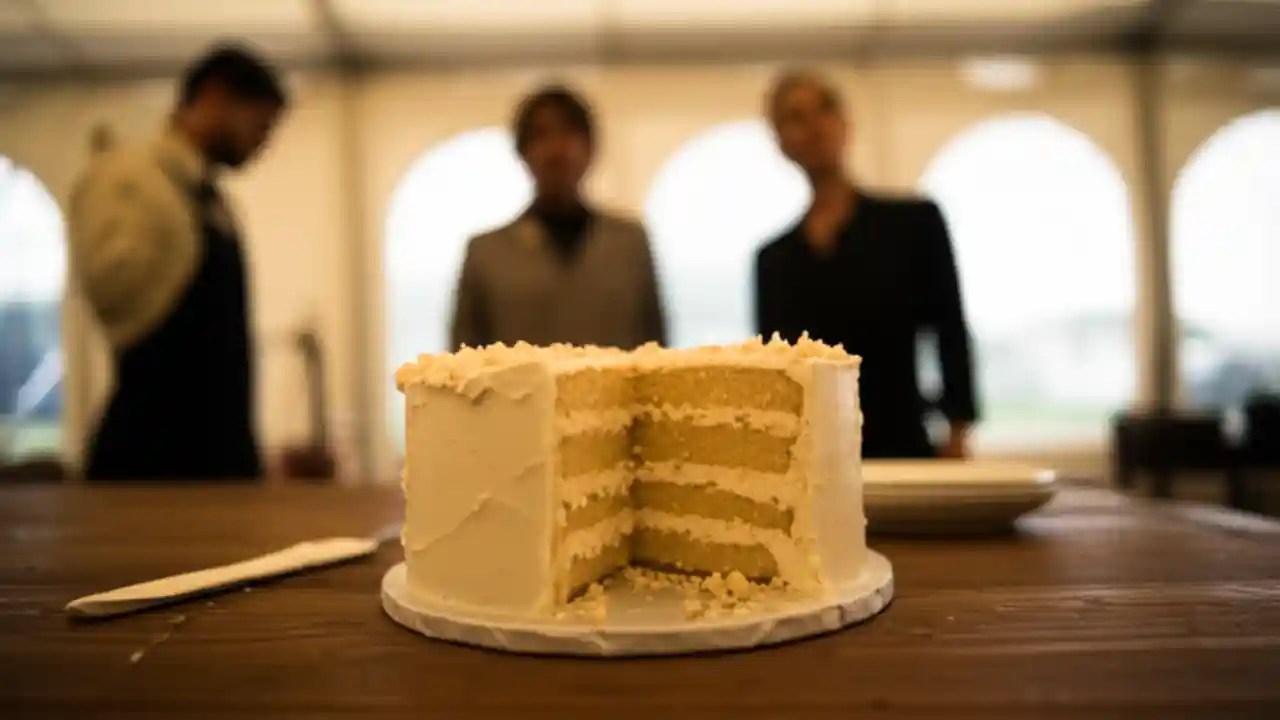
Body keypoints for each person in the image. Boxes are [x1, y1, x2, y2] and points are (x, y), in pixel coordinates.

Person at [69, 45, 287, 479]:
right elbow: (114, 299)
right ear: (214, 96)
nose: (263, 143)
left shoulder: (208, 197)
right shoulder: (131, 179)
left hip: (215, 460)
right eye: (260, 125)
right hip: (152, 463)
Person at [755, 71, 978, 458]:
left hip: (904, 443)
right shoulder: (774, 260)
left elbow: (949, 327)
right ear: (780, 140)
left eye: (824, 108)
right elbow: (775, 373)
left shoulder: (914, 223)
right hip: (814, 455)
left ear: (844, 122)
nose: (813, 126)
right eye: (795, 117)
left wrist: (958, 428)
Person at [451, 85, 666, 350]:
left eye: (568, 134)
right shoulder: (486, 255)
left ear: (590, 148)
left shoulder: (629, 245)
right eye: (541, 136)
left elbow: (655, 352)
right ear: (522, 151)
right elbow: (461, 363)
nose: (556, 150)